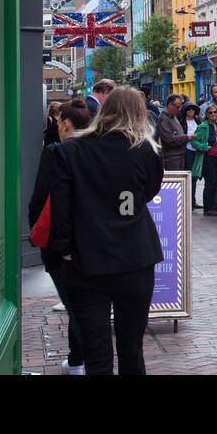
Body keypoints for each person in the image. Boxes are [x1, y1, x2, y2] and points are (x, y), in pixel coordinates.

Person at [48, 87, 164, 375]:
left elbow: (59, 210)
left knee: (96, 351)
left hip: (87, 259)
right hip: (134, 257)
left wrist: (63, 251)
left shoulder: (69, 151)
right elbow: (148, 193)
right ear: (139, 113)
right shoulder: (148, 150)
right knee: (131, 349)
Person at [29, 97, 92, 374]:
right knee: (84, 302)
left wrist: (38, 234)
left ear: (65, 124)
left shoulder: (56, 152)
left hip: (60, 242)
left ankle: (79, 362)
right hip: (91, 239)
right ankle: (77, 360)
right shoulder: (97, 150)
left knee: (75, 304)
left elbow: (39, 199)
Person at [199, 105, 217, 216]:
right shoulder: (203, 126)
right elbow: (195, 141)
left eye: (215, 112)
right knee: (210, 183)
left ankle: (214, 205)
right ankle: (208, 207)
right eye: (210, 112)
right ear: (206, 114)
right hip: (209, 157)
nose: (213, 114)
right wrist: (204, 147)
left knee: (216, 181)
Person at [155, 94, 190, 172]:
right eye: (177, 107)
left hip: (180, 155)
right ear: (170, 105)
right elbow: (169, 139)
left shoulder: (173, 116)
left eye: (180, 106)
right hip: (172, 158)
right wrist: (187, 137)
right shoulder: (164, 118)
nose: (179, 109)